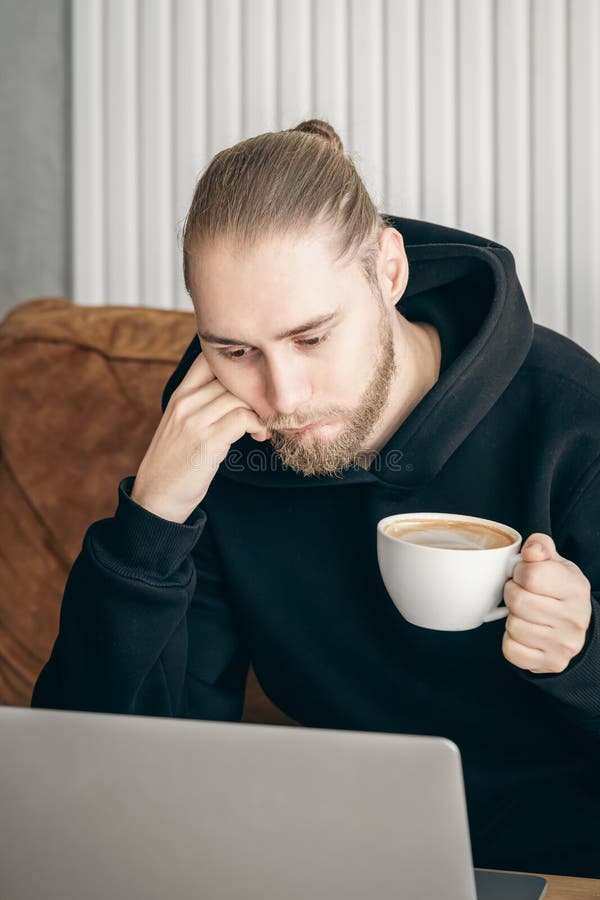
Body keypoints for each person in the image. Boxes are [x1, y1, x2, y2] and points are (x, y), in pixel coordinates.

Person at [32, 119, 600, 877]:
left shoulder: (569, 421)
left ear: (388, 271)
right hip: (333, 860)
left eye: (311, 338)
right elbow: (97, 792)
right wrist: (152, 523)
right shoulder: (220, 454)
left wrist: (583, 650)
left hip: (564, 864)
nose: (281, 398)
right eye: (234, 350)